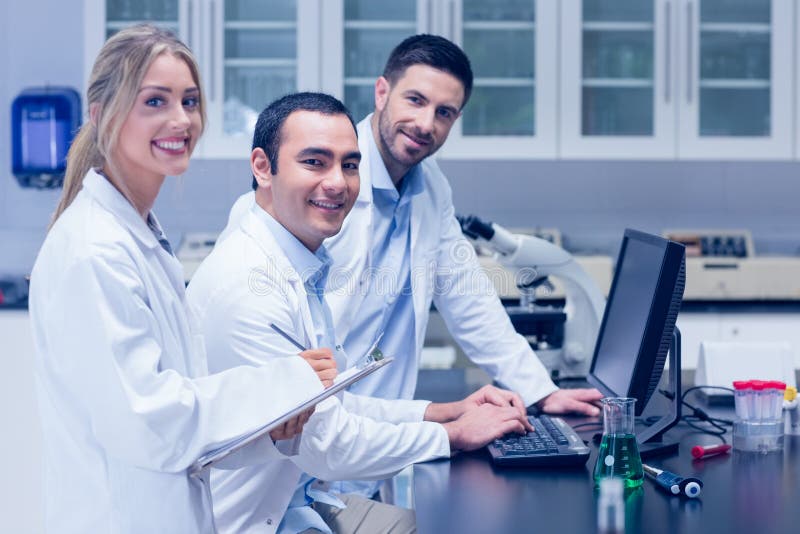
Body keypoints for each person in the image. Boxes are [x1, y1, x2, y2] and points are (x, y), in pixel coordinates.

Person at [28, 25, 336, 533]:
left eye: (189, 101)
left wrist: (271, 423)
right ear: (102, 116)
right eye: (155, 101)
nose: (180, 119)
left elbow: (180, 420)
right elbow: (154, 425)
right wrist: (284, 381)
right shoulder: (93, 250)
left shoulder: (138, 235)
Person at [187, 92, 532, 533]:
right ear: (262, 167)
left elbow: (333, 409)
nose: (338, 182)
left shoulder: (299, 265)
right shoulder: (251, 290)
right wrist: (454, 435)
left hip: (303, 503)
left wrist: (443, 412)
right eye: (315, 162)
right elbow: (328, 444)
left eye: (350, 165)